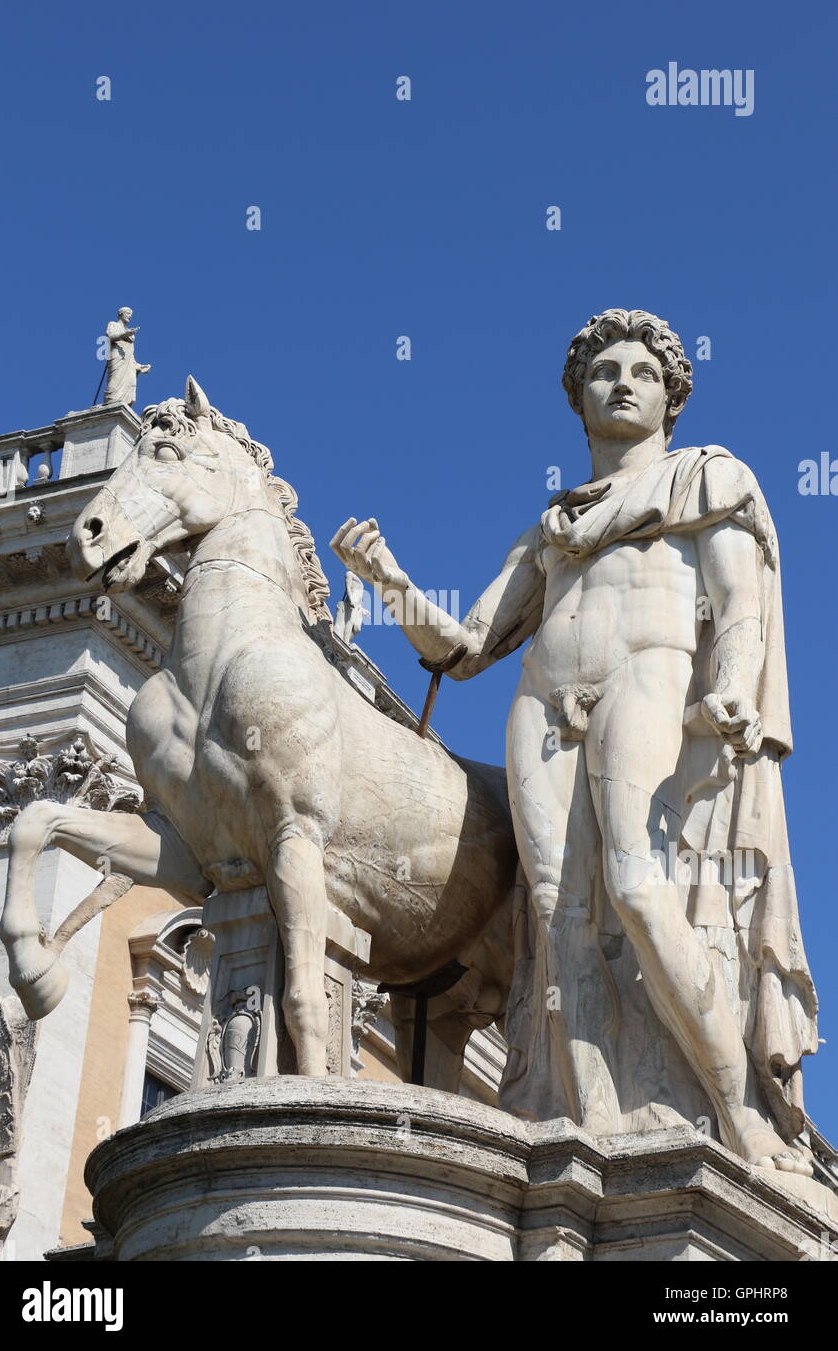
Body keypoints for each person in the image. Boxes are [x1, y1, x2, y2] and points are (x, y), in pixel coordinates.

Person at [331, 308, 817, 1175]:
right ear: (578, 401)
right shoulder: (550, 529)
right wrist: (393, 582)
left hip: (650, 677)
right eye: (603, 372)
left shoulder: (708, 479)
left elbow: (740, 606)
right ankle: (584, 1129)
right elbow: (465, 648)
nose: (621, 381)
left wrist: (735, 686)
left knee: (635, 883)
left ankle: (737, 1112)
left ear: (672, 399)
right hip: (541, 701)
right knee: (557, 919)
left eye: (643, 372)